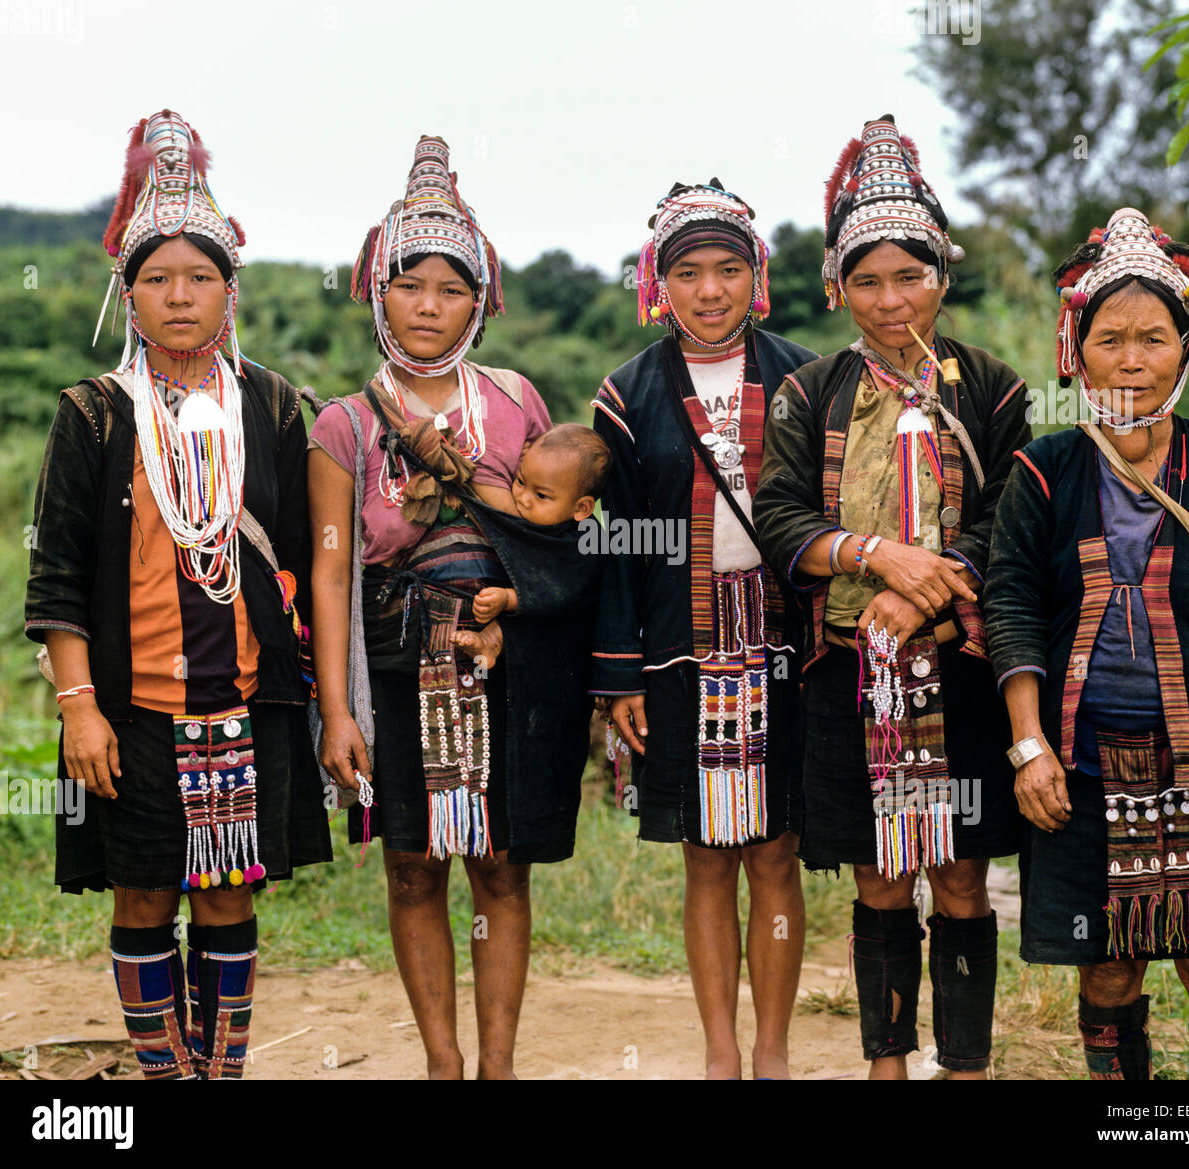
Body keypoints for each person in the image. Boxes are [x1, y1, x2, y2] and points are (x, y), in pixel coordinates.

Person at [24, 110, 331, 1080]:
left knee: (230, 896)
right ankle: (166, 1073)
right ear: (131, 293)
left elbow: (310, 566)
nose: (180, 294)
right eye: (157, 277)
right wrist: (80, 706)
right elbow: (59, 574)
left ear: (229, 291)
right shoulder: (92, 413)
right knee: (145, 894)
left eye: (200, 276)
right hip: (134, 709)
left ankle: (221, 1071)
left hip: (244, 701)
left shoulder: (276, 405)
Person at [308, 136, 597, 1080]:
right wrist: (339, 710)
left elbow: (560, 535)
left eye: (451, 288)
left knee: (501, 864)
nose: (430, 306)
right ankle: (442, 1060)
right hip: (395, 665)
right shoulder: (344, 424)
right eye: (410, 284)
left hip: (504, 664)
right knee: (413, 865)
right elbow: (333, 572)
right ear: (375, 290)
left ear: (481, 300)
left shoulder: (515, 401)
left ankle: (500, 1065)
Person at [753, 115, 1030, 1080]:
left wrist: (926, 589)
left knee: (959, 871)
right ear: (837, 288)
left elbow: (1012, 517)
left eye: (908, 276)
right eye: (865, 280)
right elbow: (778, 516)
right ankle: (885, 1058)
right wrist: (875, 553)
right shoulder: (810, 393)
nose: (888, 299)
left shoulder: (994, 390)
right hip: (846, 670)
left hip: (958, 665)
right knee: (878, 871)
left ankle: (964, 1064)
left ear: (941, 278)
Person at [983, 207, 1189, 1080]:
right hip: (1077, 766)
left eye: (1154, 336)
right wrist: (1029, 746)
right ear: (1076, 352)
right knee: (1106, 965)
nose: (1132, 358)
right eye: (1109, 338)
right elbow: (1012, 609)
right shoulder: (1044, 471)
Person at [591, 179, 816, 1079]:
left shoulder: (804, 376)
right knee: (705, 857)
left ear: (755, 277)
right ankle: (720, 1053)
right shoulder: (629, 394)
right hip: (679, 647)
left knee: (776, 852)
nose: (711, 290)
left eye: (730, 269)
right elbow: (607, 543)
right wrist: (619, 676)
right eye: (690, 272)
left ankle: (772, 1052)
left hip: (784, 645)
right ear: (660, 283)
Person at [452, 423, 609, 667]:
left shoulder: (584, 542)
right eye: (521, 481)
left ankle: (492, 641)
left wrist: (508, 599)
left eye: (541, 496)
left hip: (568, 650)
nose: (523, 499)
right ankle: (490, 641)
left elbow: (563, 589)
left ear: (582, 508)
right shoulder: (525, 524)